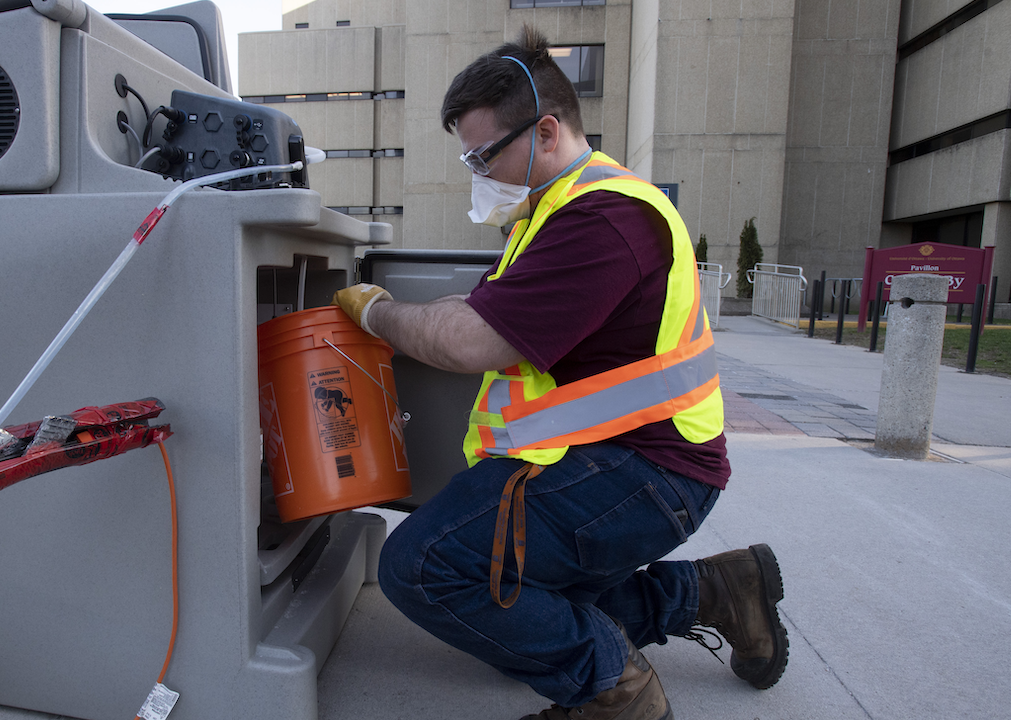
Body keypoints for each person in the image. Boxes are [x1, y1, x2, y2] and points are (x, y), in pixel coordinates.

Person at [331, 26, 787, 720]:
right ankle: (717, 593)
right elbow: (478, 308)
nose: (475, 174)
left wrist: (379, 316)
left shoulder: (602, 219)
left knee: (425, 568)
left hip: (646, 473)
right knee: (527, 599)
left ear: (545, 132)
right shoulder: (554, 212)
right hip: (628, 460)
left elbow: (470, 339)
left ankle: (612, 693)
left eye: (482, 155)